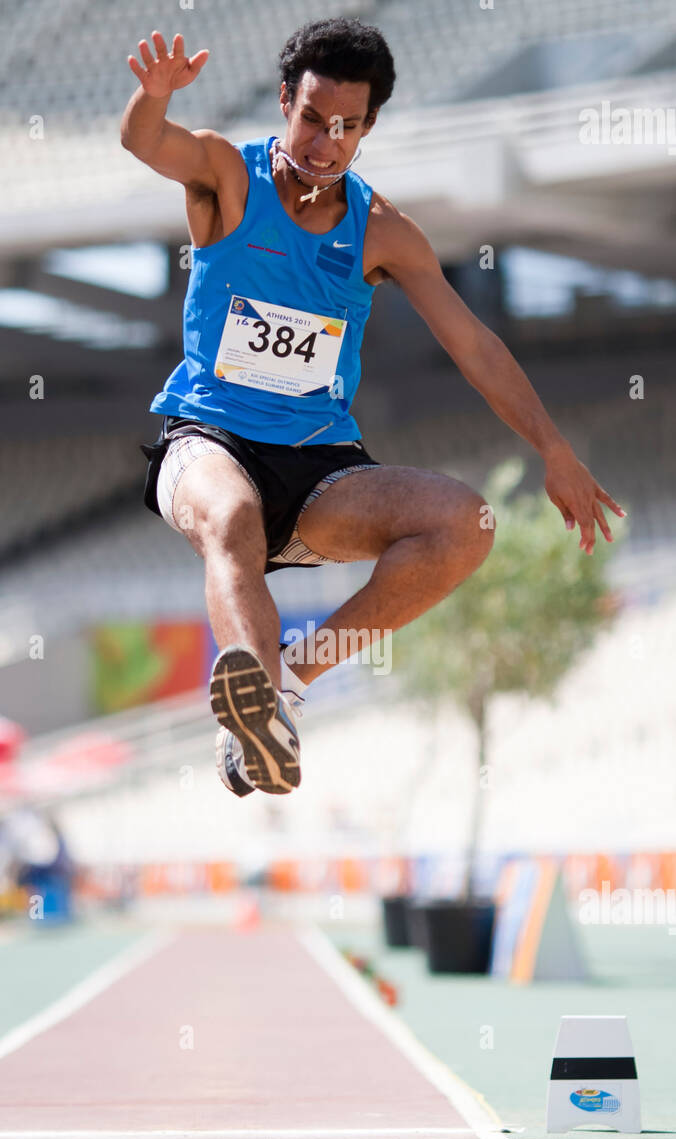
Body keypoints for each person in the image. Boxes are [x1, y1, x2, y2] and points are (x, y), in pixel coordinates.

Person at [122, 19, 625, 797]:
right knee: (231, 518)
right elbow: (148, 143)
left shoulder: (382, 230)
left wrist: (552, 448)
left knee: (467, 524)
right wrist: (151, 101)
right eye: (314, 119)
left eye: (348, 128)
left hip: (320, 465)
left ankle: (282, 691)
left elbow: (474, 345)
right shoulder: (229, 175)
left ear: (369, 127)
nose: (327, 142)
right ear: (286, 100)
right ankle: (249, 706)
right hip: (209, 439)